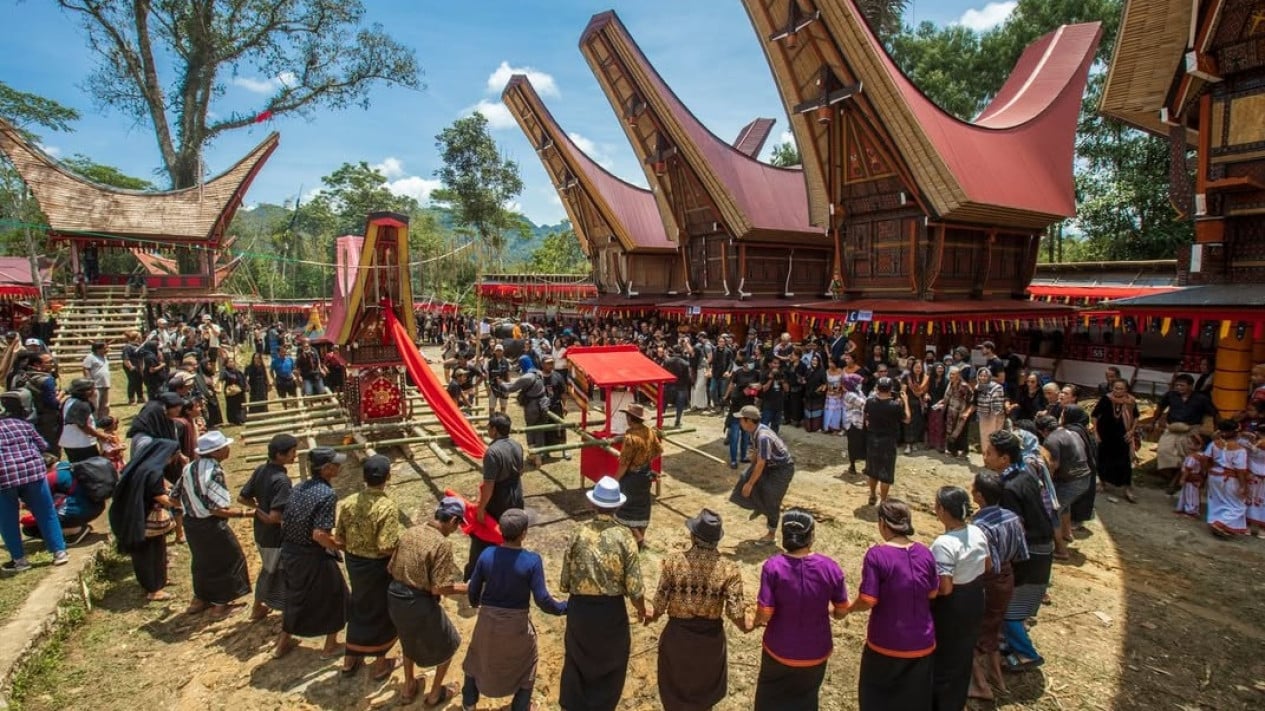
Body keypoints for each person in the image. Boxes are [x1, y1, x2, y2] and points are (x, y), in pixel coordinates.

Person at [559, 476, 652, 711]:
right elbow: (635, 586)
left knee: (577, 660)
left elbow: (565, 581)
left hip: (580, 609)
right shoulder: (625, 538)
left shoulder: (577, 533)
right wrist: (642, 609)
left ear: (592, 504)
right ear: (618, 506)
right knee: (611, 662)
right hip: (610, 613)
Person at [463, 508, 568, 711]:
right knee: (527, 663)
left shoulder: (487, 555)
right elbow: (543, 599)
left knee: (475, 659)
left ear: (500, 530)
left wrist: (476, 604)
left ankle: (469, 704)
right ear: (524, 533)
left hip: (487, 620)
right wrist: (564, 607)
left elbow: (473, 589)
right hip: (515, 625)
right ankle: (520, 706)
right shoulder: (531, 561)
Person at [648, 508, 751, 710]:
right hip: (709, 643)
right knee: (704, 698)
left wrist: (646, 616)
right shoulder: (729, 569)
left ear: (692, 535)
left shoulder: (673, 563)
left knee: (674, 694)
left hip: (678, 638)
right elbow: (736, 612)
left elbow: (658, 605)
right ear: (717, 540)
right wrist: (749, 624)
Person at [845, 498, 939, 711]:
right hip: (923, 641)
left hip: (887, 642)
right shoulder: (925, 552)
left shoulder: (877, 555)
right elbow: (933, 591)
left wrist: (849, 608)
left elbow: (868, 599)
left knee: (878, 699)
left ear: (882, 524)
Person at [752, 510, 847, 711]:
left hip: (778, 649)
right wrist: (831, 610)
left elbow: (766, 612)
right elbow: (841, 611)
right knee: (806, 699)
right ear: (811, 536)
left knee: (770, 700)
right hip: (816, 651)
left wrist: (755, 619)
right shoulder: (831, 567)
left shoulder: (773, 566)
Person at [983, 429, 1053, 673]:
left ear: (1004, 459)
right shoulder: (1024, 473)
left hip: (1030, 551)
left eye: (989, 453)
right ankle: (1008, 644)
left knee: (1010, 608)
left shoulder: (1010, 488)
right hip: (1041, 545)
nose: (985, 455)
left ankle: (1027, 653)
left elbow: (1015, 528)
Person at [387, 496, 469, 706]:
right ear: (452, 521)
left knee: (408, 640)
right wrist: (466, 588)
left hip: (395, 595)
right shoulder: (442, 544)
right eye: (458, 524)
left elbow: (391, 566)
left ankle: (408, 687)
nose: (457, 529)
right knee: (450, 643)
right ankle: (434, 695)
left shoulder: (410, 532)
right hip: (418, 602)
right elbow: (438, 588)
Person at [275, 447, 348, 659]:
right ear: (326, 469)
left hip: (290, 551)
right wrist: (341, 546)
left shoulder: (300, 487)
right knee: (338, 595)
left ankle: (283, 643)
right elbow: (319, 534)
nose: (339, 467)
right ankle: (330, 645)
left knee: (295, 597)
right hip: (312, 554)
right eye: (336, 464)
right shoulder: (327, 495)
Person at [335, 454, 400, 677]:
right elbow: (386, 546)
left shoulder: (348, 502)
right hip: (377, 567)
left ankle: (350, 659)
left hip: (355, 563)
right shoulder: (387, 507)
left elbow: (339, 538)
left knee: (359, 605)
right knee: (380, 610)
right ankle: (380, 664)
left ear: (363, 477)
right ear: (388, 476)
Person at [967, 470, 1029, 702]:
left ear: (980, 496)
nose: (971, 491)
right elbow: (1021, 553)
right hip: (1008, 576)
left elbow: (988, 565)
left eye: (974, 489)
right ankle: (996, 676)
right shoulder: (1013, 518)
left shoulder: (980, 526)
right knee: (993, 628)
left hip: (988, 582)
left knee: (971, 634)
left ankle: (981, 685)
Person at [177, 431, 252, 618]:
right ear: (216, 452)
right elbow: (216, 509)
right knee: (229, 559)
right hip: (209, 524)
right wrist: (247, 513)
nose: (228, 450)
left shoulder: (189, 468)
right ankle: (221, 605)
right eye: (225, 447)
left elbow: (174, 496)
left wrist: (193, 505)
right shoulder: (215, 471)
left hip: (191, 523)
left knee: (202, 561)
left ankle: (200, 599)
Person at [930, 486, 991, 711]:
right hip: (975, 596)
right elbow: (988, 565)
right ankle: (957, 700)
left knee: (945, 656)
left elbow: (944, 587)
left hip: (953, 603)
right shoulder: (977, 532)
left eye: (936, 505)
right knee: (964, 652)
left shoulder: (943, 544)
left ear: (944, 511)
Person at [0, 391, 69, 572]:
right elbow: (43, 446)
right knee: (46, 512)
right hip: (33, 474)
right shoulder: (24, 425)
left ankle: (20, 561)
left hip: (4, 479)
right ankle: (59, 552)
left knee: (8, 520)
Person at [108, 438, 180, 600]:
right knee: (148, 553)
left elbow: (160, 486)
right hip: (143, 518)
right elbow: (158, 495)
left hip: (134, 513)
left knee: (157, 549)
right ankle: (153, 589)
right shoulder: (153, 471)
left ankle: (159, 580)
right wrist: (180, 504)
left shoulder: (142, 466)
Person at [238, 433, 296, 623]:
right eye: (292, 453)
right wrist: (261, 513)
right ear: (280, 455)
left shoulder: (261, 470)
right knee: (274, 571)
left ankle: (264, 606)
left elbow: (242, 497)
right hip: (275, 535)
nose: (294, 456)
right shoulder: (281, 481)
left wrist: (258, 510)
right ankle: (264, 608)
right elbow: (274, 518)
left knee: (271, 569)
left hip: (261, 532)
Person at [468, 413, 525, 578]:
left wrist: (481, 509)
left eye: (489, 427)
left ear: (495, 430)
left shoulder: (492, 452)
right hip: (516, 494)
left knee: (483, 536)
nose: (487, 429)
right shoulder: (517, 445)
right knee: (512, 535)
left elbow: (489, 485)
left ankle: (475, 574)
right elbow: (520, 471)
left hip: (499, 499)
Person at [730, 405, 796, 542]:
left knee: (772, 500)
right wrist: (749, 471)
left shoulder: (763, 436)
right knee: (745, 476)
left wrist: (750, 484)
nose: (740, 422)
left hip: (782, 469)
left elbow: (761, 464)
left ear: (748, 421)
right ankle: (759, 505)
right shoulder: (755, 431)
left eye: (741, 419)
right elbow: (756, 454)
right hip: (770, 465)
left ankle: (771, 535)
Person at [1036, 414, 1092, 560]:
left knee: (1051, 511)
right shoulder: (1072, 433)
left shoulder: (1051, 440)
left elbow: (1053, 466)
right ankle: (1066, 533)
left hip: (1072, 480)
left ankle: (1060, 550)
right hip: (1083, 477)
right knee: (1063, 505)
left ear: (1043, 431)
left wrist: (1044, 484)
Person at [1154, 373, 1217, 491]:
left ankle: (1175, 482)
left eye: (1181, 385)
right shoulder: (1171, 395)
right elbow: (1160, 408)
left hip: (1191, 430)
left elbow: (1214, 414)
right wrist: (1153, 421)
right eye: (1176, 385)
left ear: (1190, 386)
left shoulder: (1201, 398)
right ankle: (1173, 477)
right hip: (1172, 429)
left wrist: (1217, 431)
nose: (1178, 387)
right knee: (1163, 452)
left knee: (1186, 457)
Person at [613, 402, 662, 548]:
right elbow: (658, 450)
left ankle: (638, 537)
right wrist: (645, 461)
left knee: (624, 507)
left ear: (629, 418)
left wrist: (615, 480)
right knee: (642, 506)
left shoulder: (630, 438)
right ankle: (641, 536)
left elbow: (624, 463)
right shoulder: (650, 431)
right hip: (646, 473)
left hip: (632, 477)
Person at [864, 377, 911, 505]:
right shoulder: (895, 405)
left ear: (877, 388)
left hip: (873, 439)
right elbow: (907, 419)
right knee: (886, 472)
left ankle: (872, 495)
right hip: (888, 441)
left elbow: (866, 419)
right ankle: (884, 500)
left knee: (872, 471)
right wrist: (905, 401)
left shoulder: (870, 402)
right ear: (891, 389)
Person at [504, 355, 551, 467]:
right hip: (543, 404)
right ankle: (539, 458)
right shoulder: (539, 373)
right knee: (539, 430)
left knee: (530, 428)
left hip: (532, 406)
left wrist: (500, 383)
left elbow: (511, 388)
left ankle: (533, 455)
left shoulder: (527, 377)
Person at [1205, 419, 1250, 538]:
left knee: (1217, 500)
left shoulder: (1214, 444)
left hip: (1214, 474)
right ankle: (1221, 523)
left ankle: (1216, 522)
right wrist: (1243, 486)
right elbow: (1240, 470)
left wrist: (1209, 472)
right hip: (1229, 478)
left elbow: (1207, 459)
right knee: (1238, 506)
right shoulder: (1240, 450)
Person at [59, 378, 112, 463]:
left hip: (68, 442)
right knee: (91, 467)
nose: (95, 391)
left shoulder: (68, 400)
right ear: (86, 392)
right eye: (93, 388)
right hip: (81, 444)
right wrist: (100, 436)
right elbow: (83, 426)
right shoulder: (82, 405)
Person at [940, 366, 974, 458]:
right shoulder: (950, 384)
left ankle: (964, 451)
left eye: (953, 374)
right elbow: (947, 397)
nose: (951, 376)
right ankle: (953, 451)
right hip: (951, 411)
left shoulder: (964, 386)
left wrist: (967, 412)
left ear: (958, 375)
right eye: (950, 374)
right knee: (950, 431)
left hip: (962, 412)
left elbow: (971, 400)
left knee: (961, 432)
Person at [541, 357, 570, 457]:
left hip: (556, 405)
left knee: (560, 427)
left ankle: (564, 449)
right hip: (543, 408)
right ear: (542, 364)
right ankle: (546, 451)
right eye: (548, 363)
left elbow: (563, 392)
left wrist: (565, 405)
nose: (550, 365)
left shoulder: (557, 376)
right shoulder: (538, 377)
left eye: (552, 363)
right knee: (545, 429)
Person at [974, 367, 1007, 452]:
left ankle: (994, 459)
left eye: (985, 376)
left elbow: (997, 405)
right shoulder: (978, 387)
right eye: (981, 375)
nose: (982, 378)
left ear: (989, 377)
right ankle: (987, 459)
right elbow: (975, 401)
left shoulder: (996, 387)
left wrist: (993, 416)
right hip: (983, 415)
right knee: (985, 438)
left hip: (994, 416)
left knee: (994, 438)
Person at [82, 341, 111, 419]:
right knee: (95, 405)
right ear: (98, 349)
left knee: (105, 405)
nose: (107, 349)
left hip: (105, 384)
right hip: (96, 385)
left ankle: (103, 420)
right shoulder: (90, 357)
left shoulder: (104, 357)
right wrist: (90, 383)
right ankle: (94, 421)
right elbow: (86, 369)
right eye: (105, 348)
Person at [193, 358, 223, 429]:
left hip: (212, 394)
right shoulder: (199, 376)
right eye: (208, 364)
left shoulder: (209, 374)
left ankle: (216, 423)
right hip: (206, 395)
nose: (210, 366)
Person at [219, 355, 247, 425]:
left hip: (240, 391)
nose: (231, 363)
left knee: (241, 405)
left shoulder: (237, 371)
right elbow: (220, 380)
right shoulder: (225, 372)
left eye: (232, 361)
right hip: (231, 392)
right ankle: (234, 420)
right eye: (230, 362)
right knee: (232, 406)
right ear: (226, 363)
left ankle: (242, 419)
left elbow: (243, 378)